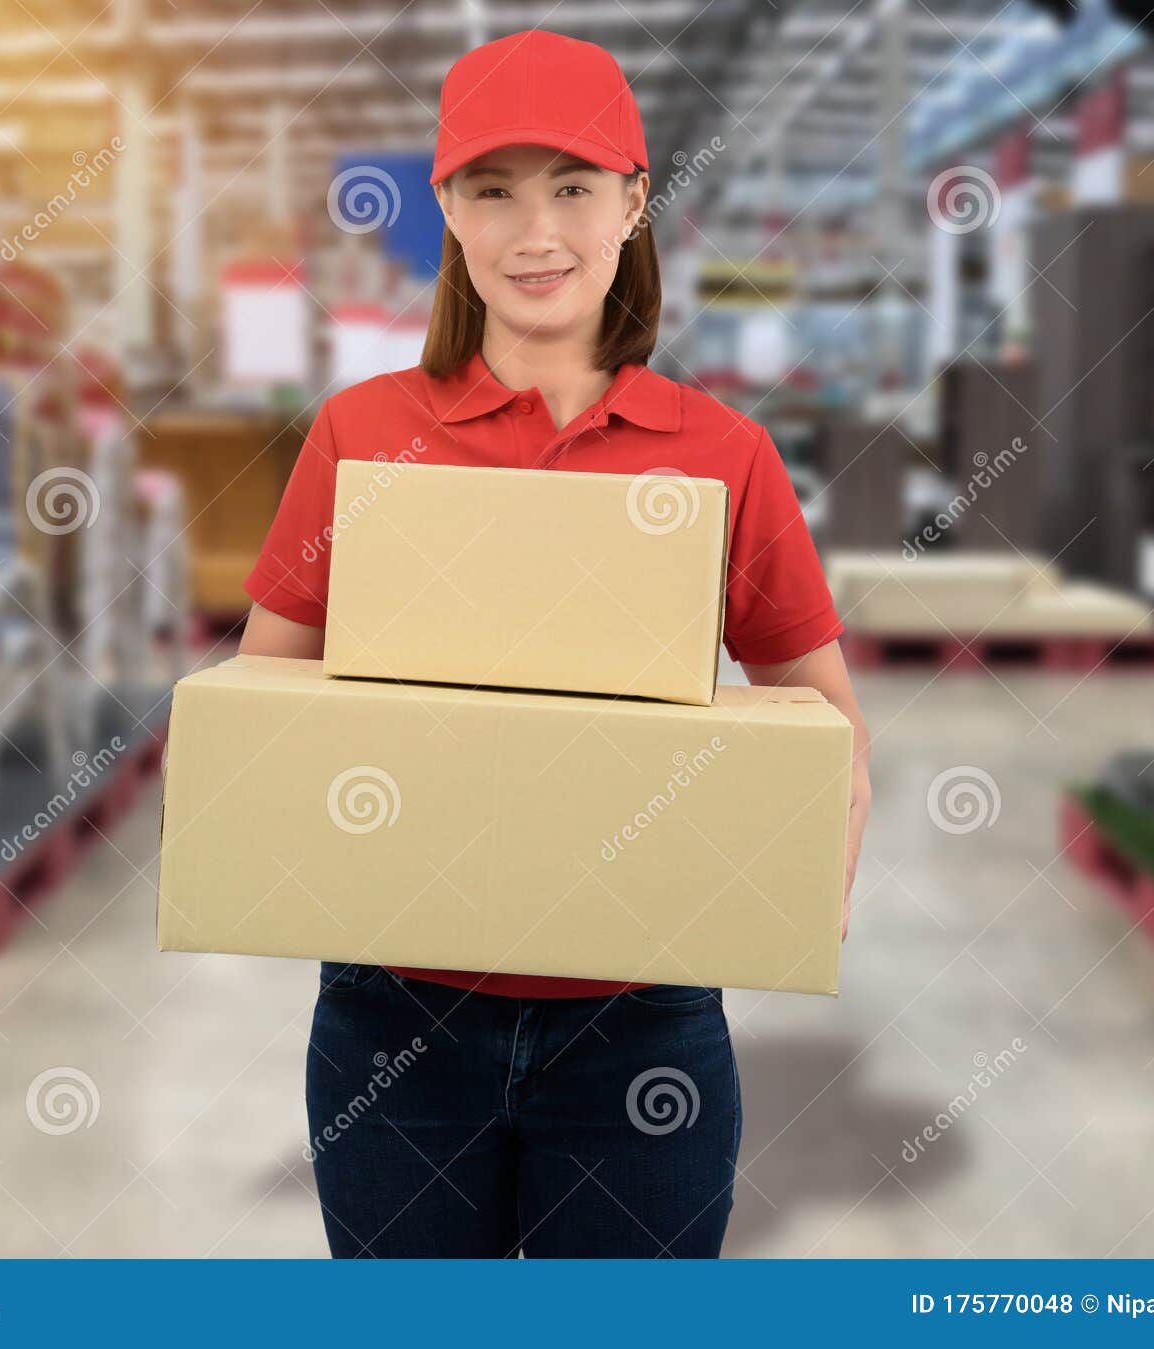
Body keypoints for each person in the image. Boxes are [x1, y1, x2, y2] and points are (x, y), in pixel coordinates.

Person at [238, 28, 872, 1258]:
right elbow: (259, 698)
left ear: (634, 205)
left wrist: (812, 837)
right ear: (448, 215)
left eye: (574, 189)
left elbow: (819, 712)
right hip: (393, 1018)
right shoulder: (363, 437)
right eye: (494, 191)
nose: (536, 234)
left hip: (642, 1020)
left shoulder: (718, 452)